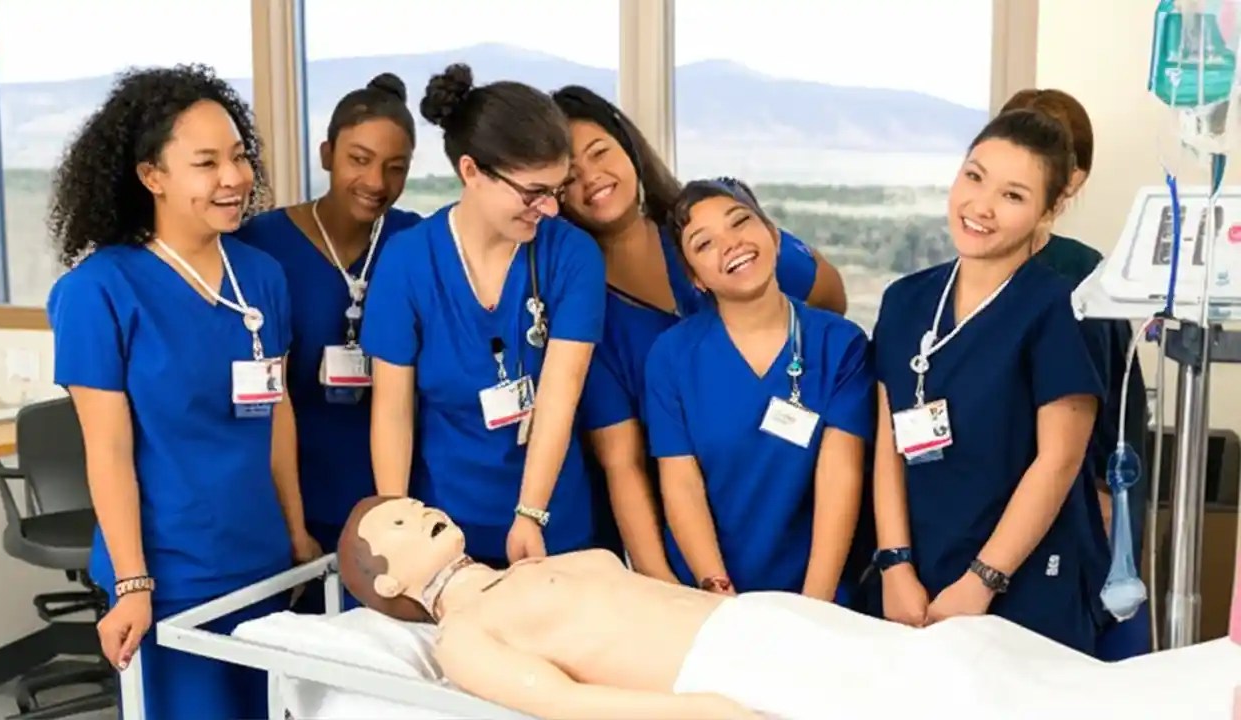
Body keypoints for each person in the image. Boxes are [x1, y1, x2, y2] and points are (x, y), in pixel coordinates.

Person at [334, 497, 1217, 720]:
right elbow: (566, 703)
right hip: (724, 672)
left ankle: (1190, 692)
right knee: (952, 699)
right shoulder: (466, 636)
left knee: (965, 654)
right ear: (392, 583)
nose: (422, 510)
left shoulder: (528, 564)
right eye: (400, 524)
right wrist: (701, 712)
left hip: (764, 622)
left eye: (413, 501)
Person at [44, 65, 300, 718]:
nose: (234, 177)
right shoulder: (98, 292)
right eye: (206, 163)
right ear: (152, 176)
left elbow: (277, 413)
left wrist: (297, 532)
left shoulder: (261, 277)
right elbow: (108, 452)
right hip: (171, 577)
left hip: (264, 562)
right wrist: (133, 583)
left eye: (239, 156)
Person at [549, 85, 848, 584]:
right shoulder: (585, 311)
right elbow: (623, 465)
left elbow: (830, 302)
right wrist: (661, 584)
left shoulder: (712, 229)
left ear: (627, 144)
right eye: (569, 176)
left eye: (599, 152)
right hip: (695, 539)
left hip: (800, 511)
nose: (592, 177)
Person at [870, 109, 1109, 655]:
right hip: (916, 578)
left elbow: (1059, 461)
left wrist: (982, 581)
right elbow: (888, 443)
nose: (981, 206)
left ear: (1050, 209)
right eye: (974, 177)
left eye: (1013, 195)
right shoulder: (905, 301)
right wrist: (894, 563)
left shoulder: (1059, 309)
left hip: (1024, 586)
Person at [360, 64, 607, 570]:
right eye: (532, 192)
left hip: (549, 524)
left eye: (556, 189)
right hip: (445, 531)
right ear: (471, 171)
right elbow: (392, 410)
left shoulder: (572, 255)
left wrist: (531, 514)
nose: (550, 209)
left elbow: (560, 395)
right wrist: (400, 527)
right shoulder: (409, 262)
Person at [642, 178, 873, 600]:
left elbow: (840, 477)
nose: (730, 244)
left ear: (773, 235)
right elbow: (681, 483)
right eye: (704, 243)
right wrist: (717, 592)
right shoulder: (671, 356)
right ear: (696, 278)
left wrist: (814, 606)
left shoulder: (839, 345)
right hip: (710, 593)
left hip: (817, 590)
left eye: (740, 222)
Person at [235, 72, 422, 571]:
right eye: (359, 159)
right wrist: (291, 524)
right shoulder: (260, 246)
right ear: (326, 154)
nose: (376, 182)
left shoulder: (415, 243)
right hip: (291, 488)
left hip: (395, 489)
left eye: (395, 168)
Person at [1000, 87, 1151, 660]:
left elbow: (1115, 408)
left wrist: (1106, 497)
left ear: (1072, 180)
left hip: (1074, 501)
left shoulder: (1081, 278)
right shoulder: (952, 281)